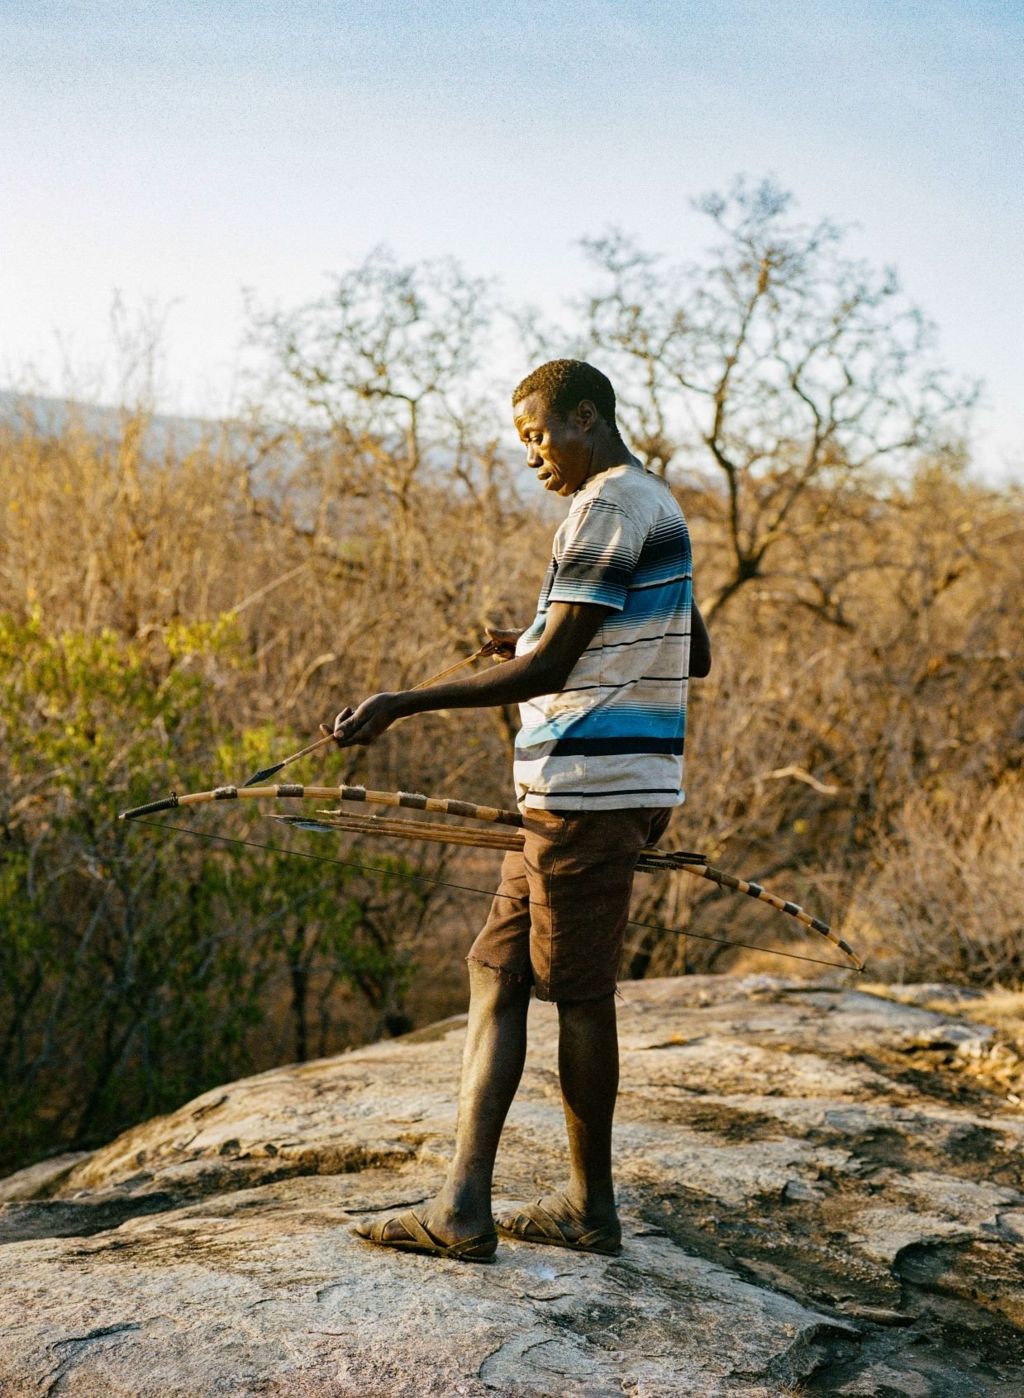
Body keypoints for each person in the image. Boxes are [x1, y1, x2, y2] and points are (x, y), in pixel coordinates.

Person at [322, 358, 711, 1263]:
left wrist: (401, 702)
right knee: (496, 970)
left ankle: (588, 1209)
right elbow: (685, 649)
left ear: (587, 417)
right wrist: (535, 634)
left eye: (539, 435)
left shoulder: (607, 507)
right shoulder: (655, 502)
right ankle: (462, 1204)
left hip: (584, 793)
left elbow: (554, 670)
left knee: (580, 996)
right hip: (578, 793)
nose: (532, 454)